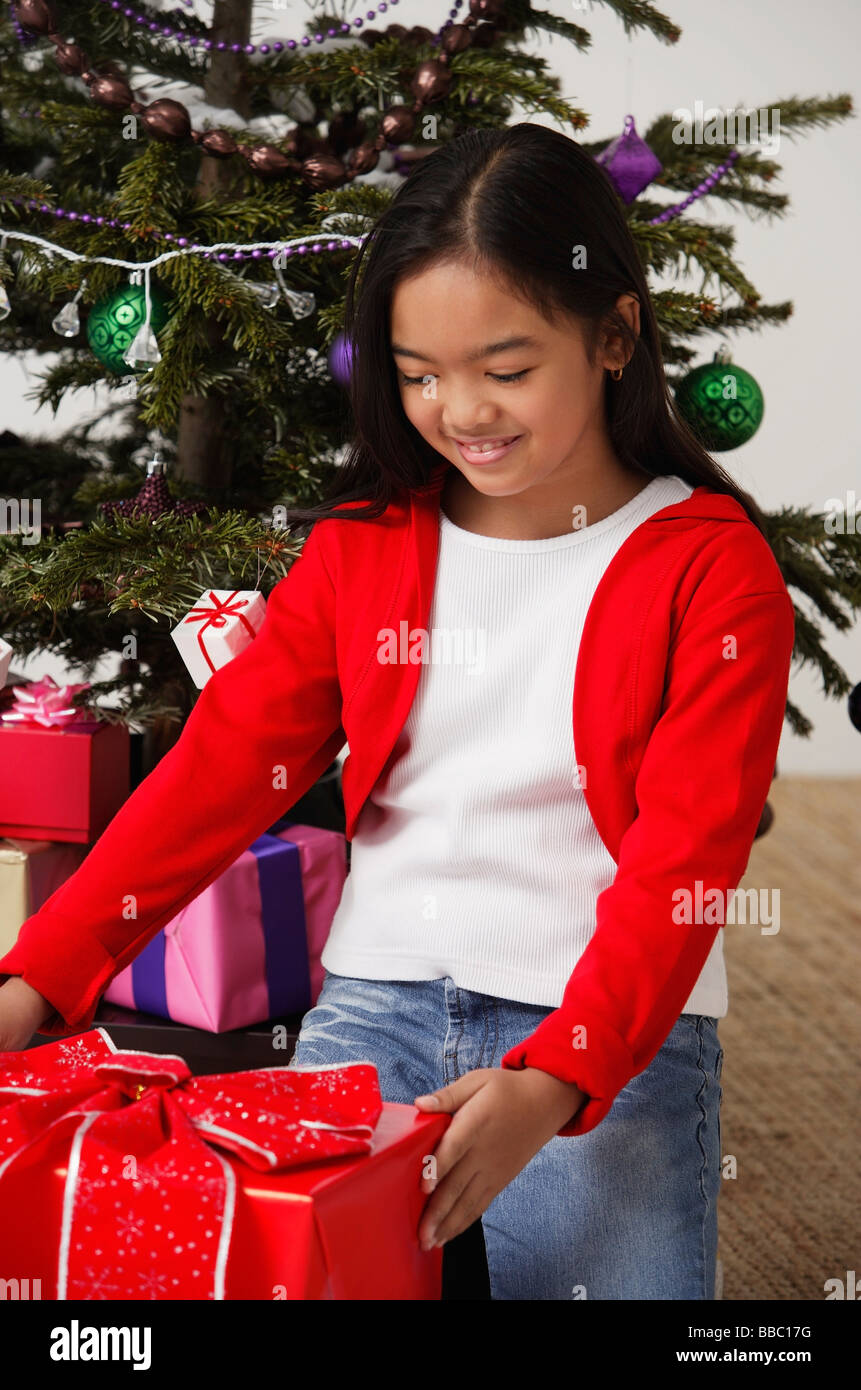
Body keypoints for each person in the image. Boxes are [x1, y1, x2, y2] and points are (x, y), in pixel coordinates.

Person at [0, 123, 795, 1301]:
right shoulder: (365, 548)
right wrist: (37, 979)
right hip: (380, 998)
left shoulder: (713, 570)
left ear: (614, 334)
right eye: (419, 374)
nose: (458, 410)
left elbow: (693, 851)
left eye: (506, 368)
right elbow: (220, 772)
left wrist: (564, 1074)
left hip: (608, 1026)